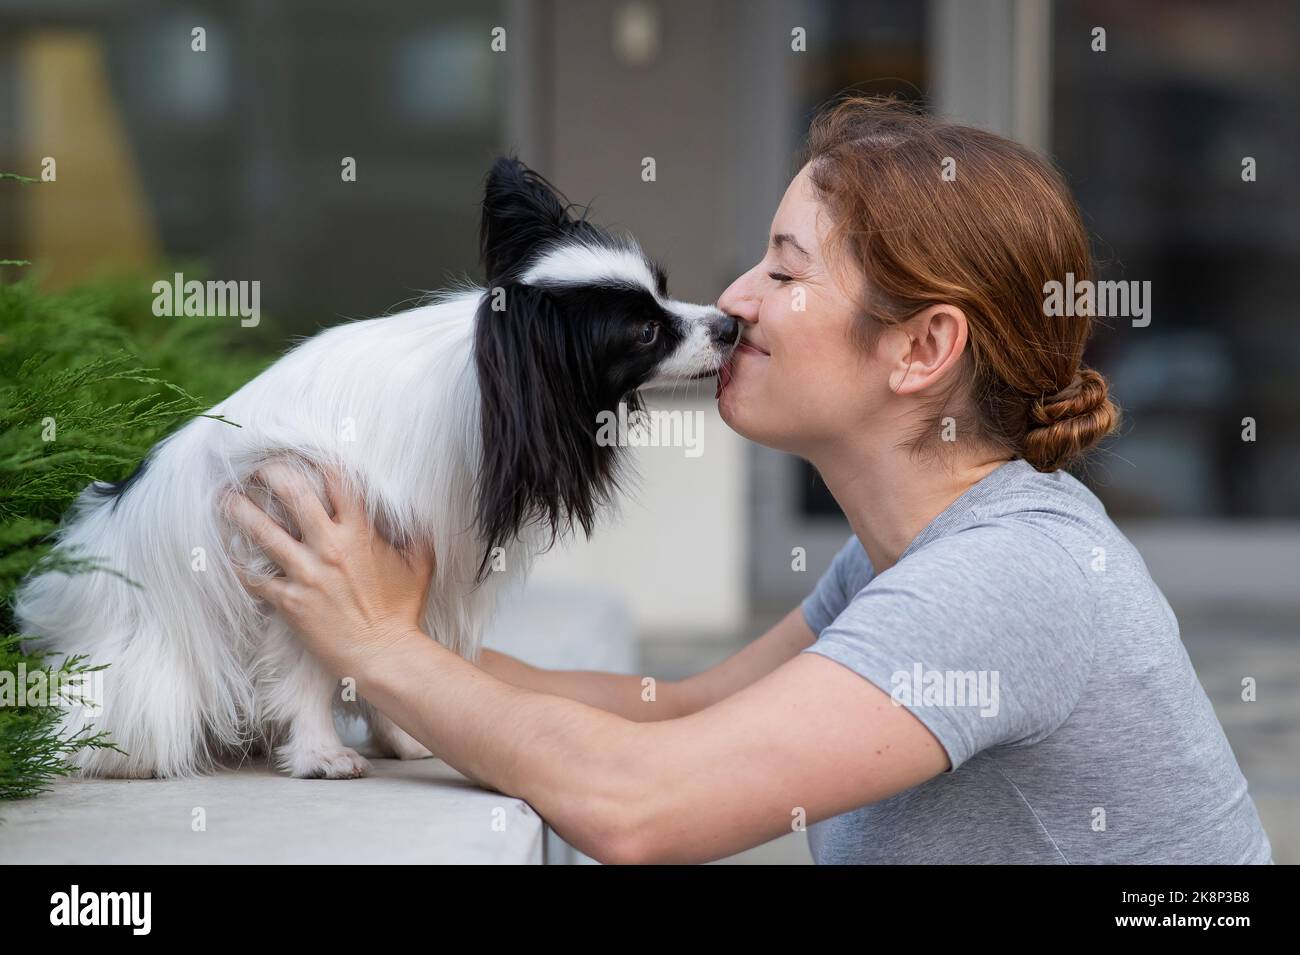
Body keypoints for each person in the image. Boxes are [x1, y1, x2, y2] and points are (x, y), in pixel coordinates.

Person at [227, 97, 1273, 864]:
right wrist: (385, 625)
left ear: (920, 350)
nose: (733, 300)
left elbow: (640, 803)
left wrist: (382, 646)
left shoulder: (1010, 581)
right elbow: (677, 710)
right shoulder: (906, 552)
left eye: (782, 270)